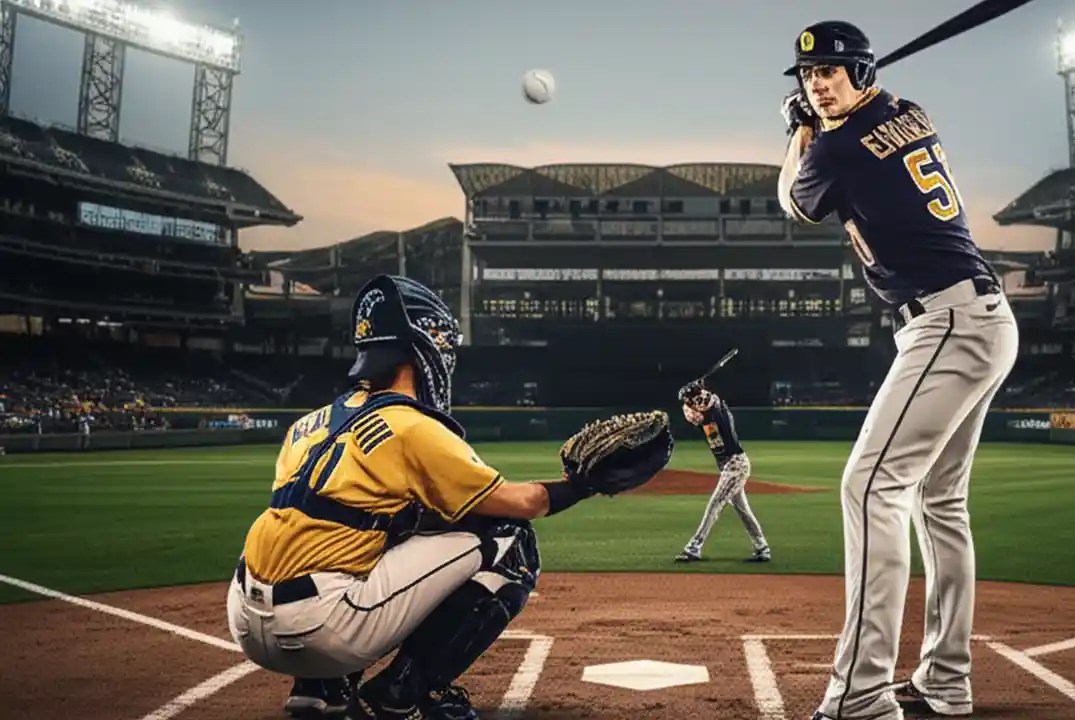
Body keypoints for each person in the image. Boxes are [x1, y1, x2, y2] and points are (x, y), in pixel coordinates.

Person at [227, 275, 642, 720]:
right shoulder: (414, 427)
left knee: (377, 529)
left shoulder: (309, 423)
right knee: (507, 539)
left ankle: (321, 686)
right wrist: (580, 485)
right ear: (421, 350)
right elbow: (521, 504)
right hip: (323, 627)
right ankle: (400, 692)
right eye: (442, 343)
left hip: (246, 619)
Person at [776, 21, 1020, 720]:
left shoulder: (840, 146)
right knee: (938, 503)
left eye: (830, 72)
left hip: (947, 323)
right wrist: (817, 123)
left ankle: (861, 694)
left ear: (861, 70)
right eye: (807, 74)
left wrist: (795, 135)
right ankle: (946, 680)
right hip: (979, 318)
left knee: (869, 488)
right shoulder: (906, 111)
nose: (816, 84)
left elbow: (797, 200)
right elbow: (862, 138)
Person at [673, 382, 770, 563]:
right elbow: (699, 413)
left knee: (715, 505)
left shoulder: (717, 411)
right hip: (730, 466)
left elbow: (712, 403)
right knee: (743, 510)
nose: (688, 409)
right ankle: (762, 548)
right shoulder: (707, 415)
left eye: (690, 403)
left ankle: (694, 547)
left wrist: (698, 391)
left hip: (735, 466)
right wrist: (694, 391)